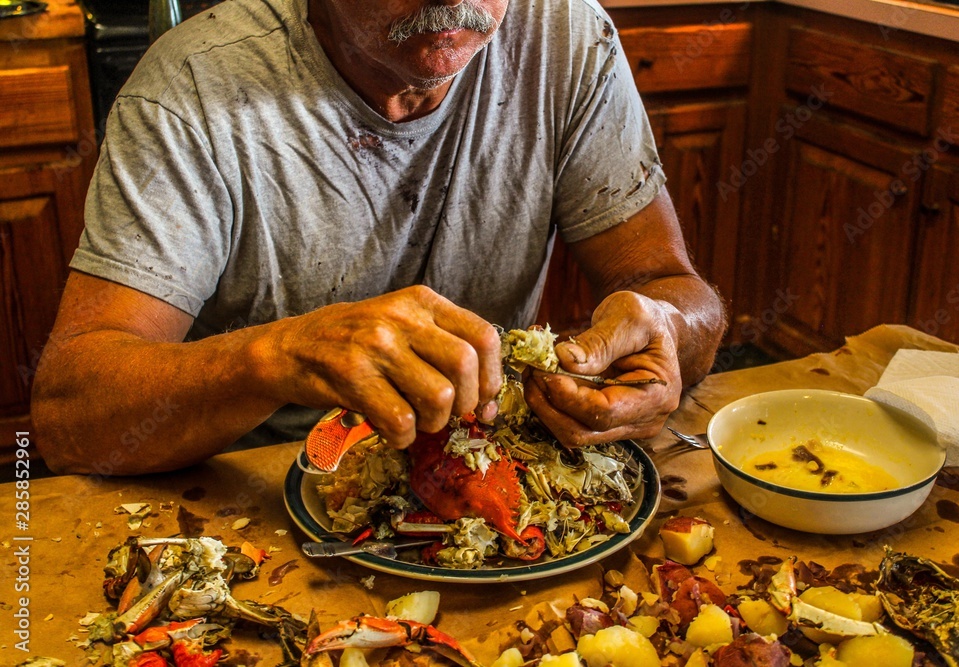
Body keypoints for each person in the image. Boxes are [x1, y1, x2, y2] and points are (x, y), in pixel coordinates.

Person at [32, 0, 726, 476]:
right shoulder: (192, 86)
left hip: (490, 478)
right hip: (254, 498)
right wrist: (276, 356)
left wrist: (666, 329)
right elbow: (70, 414)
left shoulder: (569, 39)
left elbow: (676, 292)